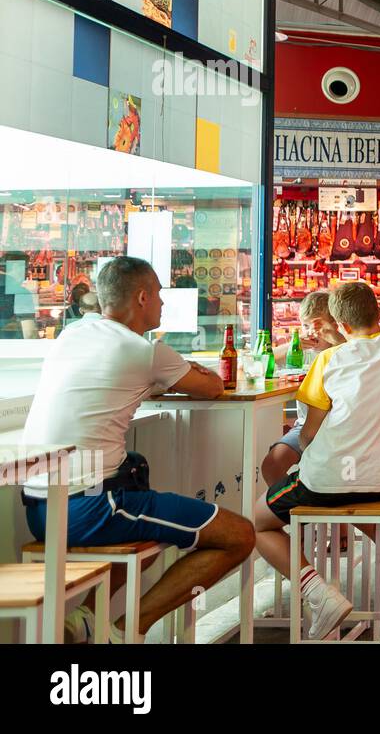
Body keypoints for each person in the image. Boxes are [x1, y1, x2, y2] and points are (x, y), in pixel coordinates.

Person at [21, 256, 255, 643]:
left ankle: (88, 617)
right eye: (160, 294)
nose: (163, 303)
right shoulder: (144, 352)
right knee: (240, 535)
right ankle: (128, 629)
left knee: (135, 468)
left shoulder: (73, 334)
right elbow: (213, 385)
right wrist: (178, 372)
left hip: (40, 510)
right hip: (90, 508)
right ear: (143, 297)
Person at [252, 283, 380, 640]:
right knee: (369, 503)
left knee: (257, 523)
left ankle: (319, 593)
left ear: (339, 324)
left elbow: (309, 433)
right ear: (379, 313)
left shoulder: (326, 360)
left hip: (325, 483)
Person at [260, 290, 345, 486]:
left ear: (334, 324)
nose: (310, 332)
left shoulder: (344, 349)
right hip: (305, 425)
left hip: (339, 426)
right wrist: (292, 344)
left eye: (316, 325)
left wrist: (335, 339)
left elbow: (358, 352)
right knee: (272, 464)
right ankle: (292, 511)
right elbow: (262, 362)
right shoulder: (301, 353)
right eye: (305, 325)